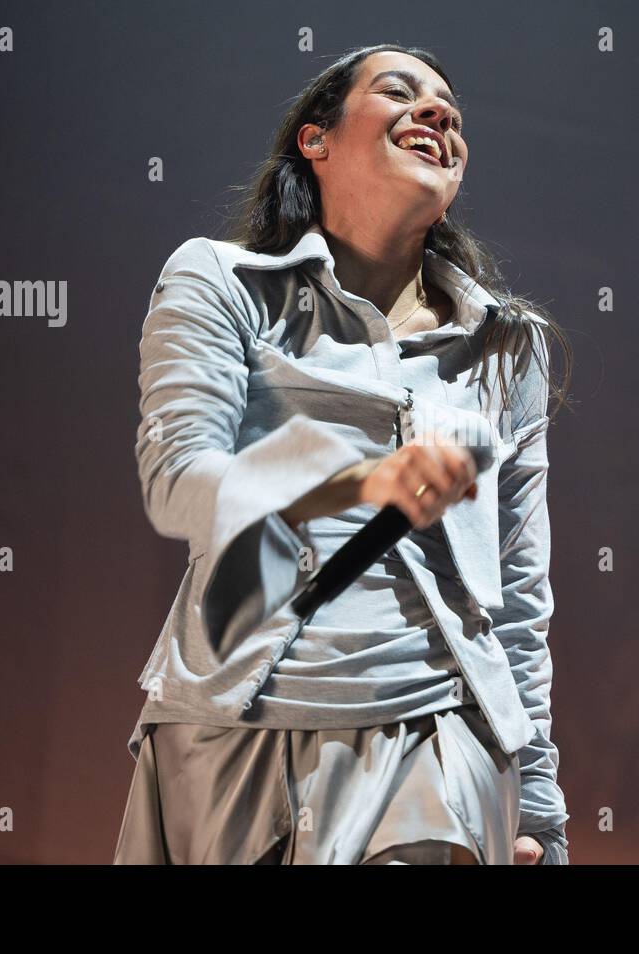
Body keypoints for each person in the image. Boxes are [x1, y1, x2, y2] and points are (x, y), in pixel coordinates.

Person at [113, 43, 573, 865]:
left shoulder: (508, 349)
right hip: (231, 729)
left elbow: (520, 598)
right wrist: (357, 480)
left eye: (451, 111)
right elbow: (180, 481)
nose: (438, 114)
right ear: (314, 140)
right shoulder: (221, 282)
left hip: (435, 737)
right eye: (400, 92)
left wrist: (537, 808)